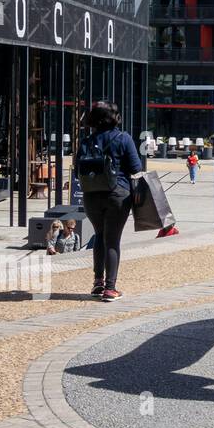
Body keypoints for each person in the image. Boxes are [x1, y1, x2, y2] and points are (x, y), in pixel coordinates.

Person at [78, 100, 142, 301]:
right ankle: (110, 288)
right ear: (114, 118)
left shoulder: (86, 141)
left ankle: (97, 282)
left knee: (99, 235)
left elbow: (78, 168)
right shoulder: (123, 138)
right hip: (117, 195)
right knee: (112, 240)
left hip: (91, 195)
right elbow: (135, 168)